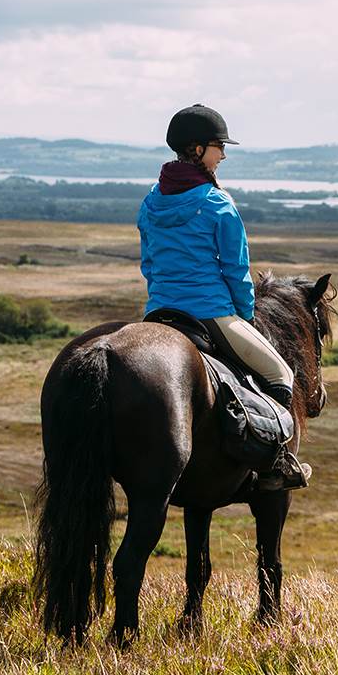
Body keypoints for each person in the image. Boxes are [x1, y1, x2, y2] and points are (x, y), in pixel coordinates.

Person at [137, 104, 311, 491]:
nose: (223, 156)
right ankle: (276, 465)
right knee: (280, 374)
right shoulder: (218, 203)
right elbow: (236, 271)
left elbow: (148, 264)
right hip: (212, 313)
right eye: (219, 147)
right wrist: (245, 317)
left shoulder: (151, 201)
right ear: (198, 149)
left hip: (159, 312)